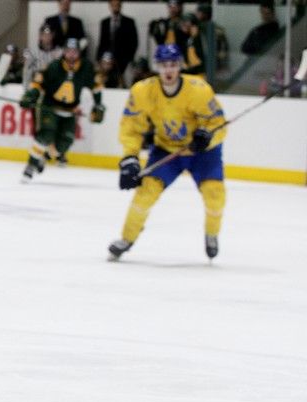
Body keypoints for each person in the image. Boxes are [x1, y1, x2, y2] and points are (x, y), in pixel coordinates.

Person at [108, 43, 226, 261]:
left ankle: (212, 234)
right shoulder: (143, 91)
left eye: (173, 65)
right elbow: (131, 127)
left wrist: (207, 136)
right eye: (163, 65)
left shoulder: (199, 89)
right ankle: (127, 238)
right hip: (167, 150)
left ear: (180, 66)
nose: (168, 70)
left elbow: (218, 123)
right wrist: (130, 158)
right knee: (145, 193)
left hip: (202, 153)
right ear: (157, 67)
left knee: (215, 194)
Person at [19, 37, 104, 181]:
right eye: (68, 51)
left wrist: (98, 105)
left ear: (79, 53)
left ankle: (45, 156)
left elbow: (96, 87)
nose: (71, 55)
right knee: (46, 134)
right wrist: (30, 96)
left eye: (74, 52)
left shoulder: (86, 68)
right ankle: (31, 165)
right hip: (50, 106)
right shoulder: (54, 67)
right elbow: (38, 82)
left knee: (65, 143)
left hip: (70, 111)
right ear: (64, 52)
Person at [97, 0, 138, 85]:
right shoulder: (105, 22)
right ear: (110, 6)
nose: (115, 7)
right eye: (113, 5)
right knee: (105, 81)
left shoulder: (129, 22)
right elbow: (102, 42)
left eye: (117, 5)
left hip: (124, 60)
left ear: (121, 6)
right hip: (108, 59)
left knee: (126, 82)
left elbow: (134, 42)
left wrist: (128, 58)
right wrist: (99, 58)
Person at [179, 13, 206, 78]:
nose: (182, 26)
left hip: (200, 73)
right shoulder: (187, 38)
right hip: (190, 72)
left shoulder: (200, 37)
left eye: (185, 23)